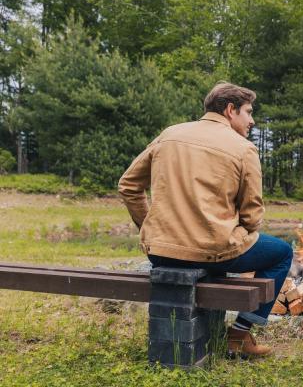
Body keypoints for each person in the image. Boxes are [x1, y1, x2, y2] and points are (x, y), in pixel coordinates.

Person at [118, 82, 292, 358]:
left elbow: (128, 186)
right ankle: (240, 333)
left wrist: (149, 228)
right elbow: (252, 217)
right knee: (283, 253)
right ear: (230, 109)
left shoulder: (168, 135)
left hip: (162, 253)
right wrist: (233, 230)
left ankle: (218, 332)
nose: (252, 120)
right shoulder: (243, 149)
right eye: (248, 112)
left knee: (229, 250)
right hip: (213, 252)